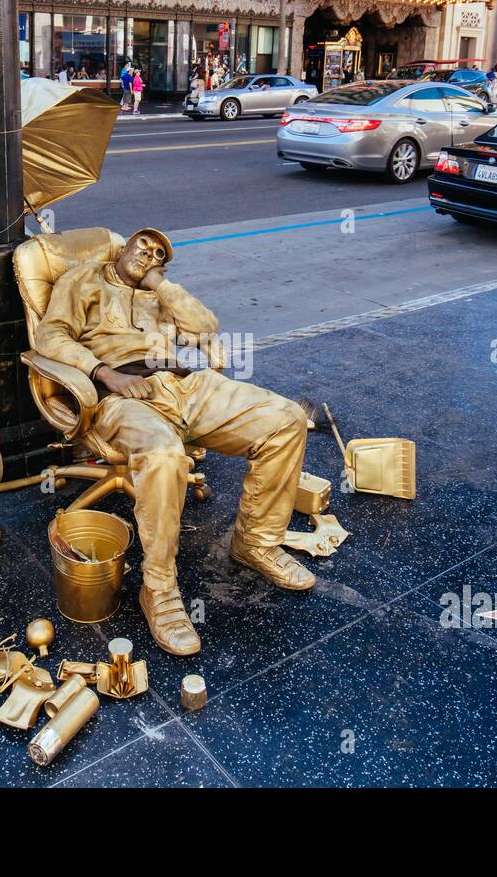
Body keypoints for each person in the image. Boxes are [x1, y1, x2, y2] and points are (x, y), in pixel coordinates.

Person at [33, 229, 313, 656]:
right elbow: (50, 337)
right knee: (165, 453)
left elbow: (205, 327)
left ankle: (256, 542)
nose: (147, 254)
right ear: (122, 247)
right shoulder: (83, 280)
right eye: (141, 245)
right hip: (119, 395)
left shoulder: (159, 291)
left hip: (182, 384)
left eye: (158, 254)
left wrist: (161, 285)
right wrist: (107, 374)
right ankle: (159, 589)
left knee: (286, 419)